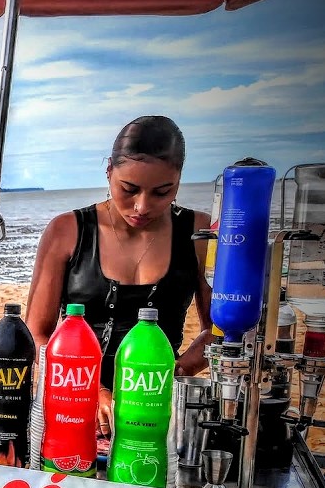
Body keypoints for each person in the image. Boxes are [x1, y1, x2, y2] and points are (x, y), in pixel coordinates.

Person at [25, 115, 214, 438]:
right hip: (71, 398)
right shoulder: (67, 231)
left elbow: (222, 329)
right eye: (129, 189)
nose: (142, 206)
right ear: (109, 171)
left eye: (162, 192)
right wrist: (92, 390)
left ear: (179, 181)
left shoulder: (200, 234)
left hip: (156, 407)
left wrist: (175, 371)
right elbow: (36, 335)